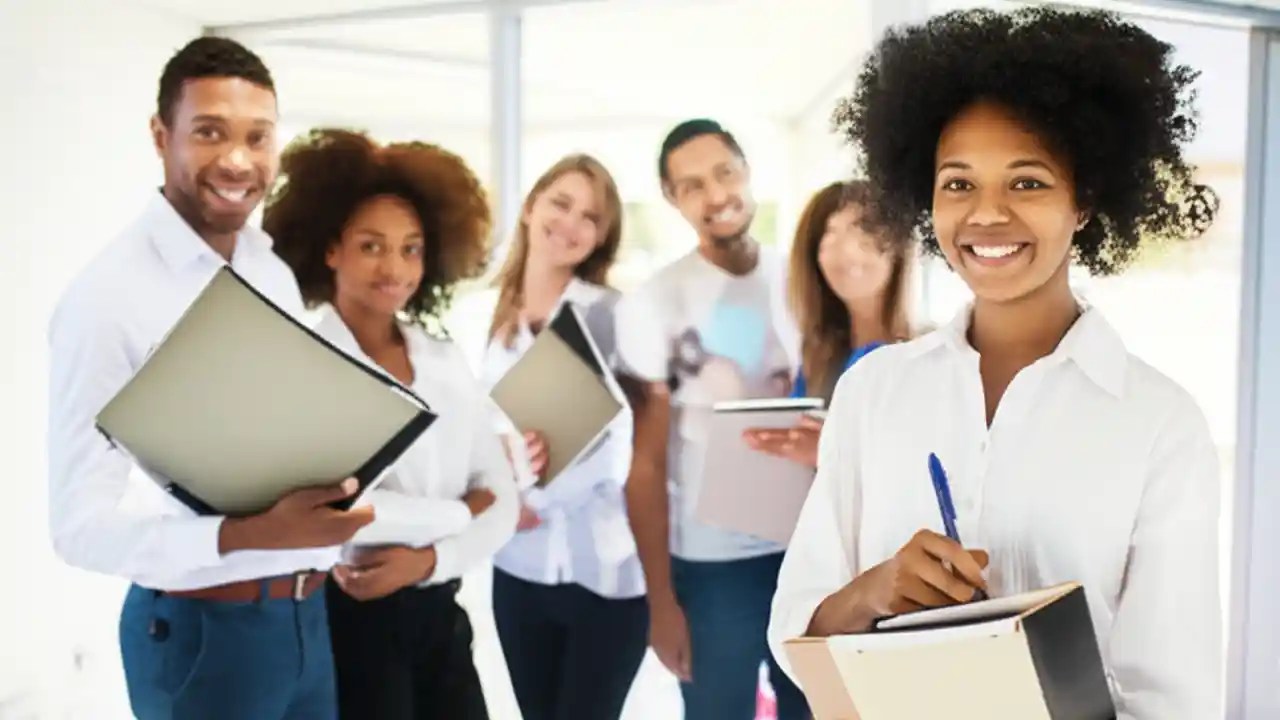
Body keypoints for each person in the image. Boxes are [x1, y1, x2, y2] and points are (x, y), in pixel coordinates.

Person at [767, 8, 1221, 718]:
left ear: (1085, 200)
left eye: (1028, 182)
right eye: (958, 183)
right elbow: (798, 640)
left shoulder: (1158, 423)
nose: (987, 214)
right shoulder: (873, 393)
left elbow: (1175, 698)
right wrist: (873, 590)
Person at [46, 38, 373, 720]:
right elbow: (80, 527)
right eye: (209, 132)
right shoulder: (107, 300)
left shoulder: (268, 269)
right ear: (161, 136)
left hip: (305, 621)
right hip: (204, 637)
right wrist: (247, 535)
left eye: (258, 136)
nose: (237, 159)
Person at [263, 128, 518, 720]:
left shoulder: (443, 359)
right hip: (347, 622)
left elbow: (501, 498)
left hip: (439, 613)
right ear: (332, 250)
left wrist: (426, 560)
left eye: (411, 248)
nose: (395, 267)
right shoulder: (305, 362)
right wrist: (459, 511)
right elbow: (337, 517)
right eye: (372, 246)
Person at [615, 119, 810, 720]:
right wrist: (662, 602)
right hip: (713, 564)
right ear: (673, 200)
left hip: (808, 551)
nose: (716, 193)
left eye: (725, 172)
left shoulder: (804, 277)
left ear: (748, 170)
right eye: (692, 184)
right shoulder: (653, 302)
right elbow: (644, 463)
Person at [483, 154, 648, 720]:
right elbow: (486, 439)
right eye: (561, 203)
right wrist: (501, 494)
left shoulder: (609, 314)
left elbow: (626, 445)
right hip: (517, 573)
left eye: (591, 217)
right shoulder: (496, 321)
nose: (570, 224)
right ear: (531, 206)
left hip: (602, 575)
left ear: (601, 237)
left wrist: (528, 498)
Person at [743, 180, 916, 468]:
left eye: (864, 233)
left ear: (898, 249)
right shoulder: (817, 357)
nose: (848, 250)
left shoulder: (922, 359)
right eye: (831, 234)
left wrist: (832, 455)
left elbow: (924, 478)